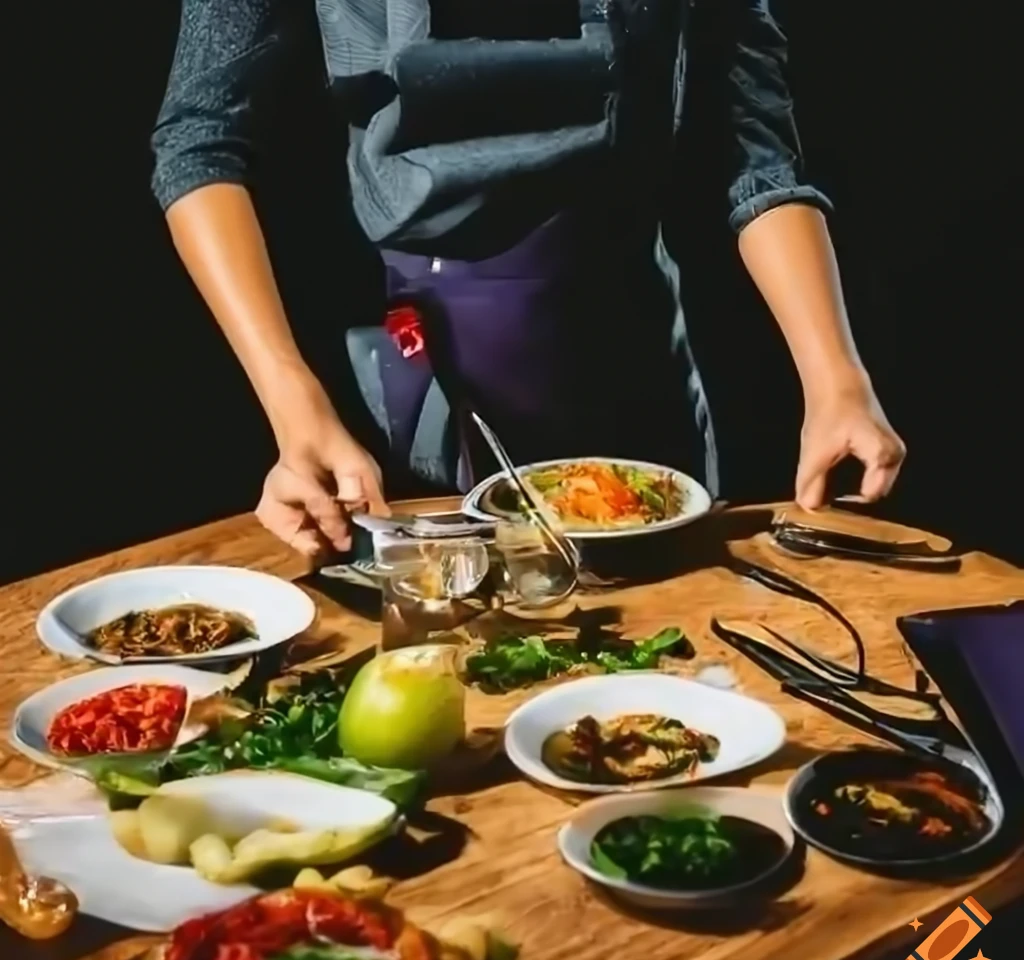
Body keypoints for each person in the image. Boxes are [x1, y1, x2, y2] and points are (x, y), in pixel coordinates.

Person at [152, 0, 905, 558]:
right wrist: (293, 401)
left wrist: (836, 378)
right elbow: (199, 143)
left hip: (640, 380)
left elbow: (760, 160)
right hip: (426, 399)